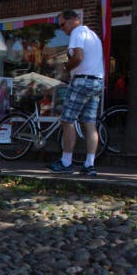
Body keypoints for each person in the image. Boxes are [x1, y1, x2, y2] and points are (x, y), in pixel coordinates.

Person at [47, 10, 104, 176]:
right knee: (89, 122)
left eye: (63, 24)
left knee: (67, 120)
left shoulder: (77, 32)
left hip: (82, 80)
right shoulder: (93, 35)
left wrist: (67, 67)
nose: (62, 29)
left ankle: (66, 162)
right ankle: (89, 164)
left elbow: (78, 57)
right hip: (97, 81)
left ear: (73, 20)